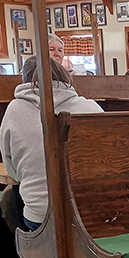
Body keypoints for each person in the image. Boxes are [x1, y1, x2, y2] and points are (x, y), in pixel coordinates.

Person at [0, 56, 103, 230]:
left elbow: (12, 171)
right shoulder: (91, 107)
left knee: (13, 196)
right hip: (92, 211)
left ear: (25, 80)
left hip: (40, 216)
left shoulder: (15, 110)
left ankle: (27, 253)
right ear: (64, 76)